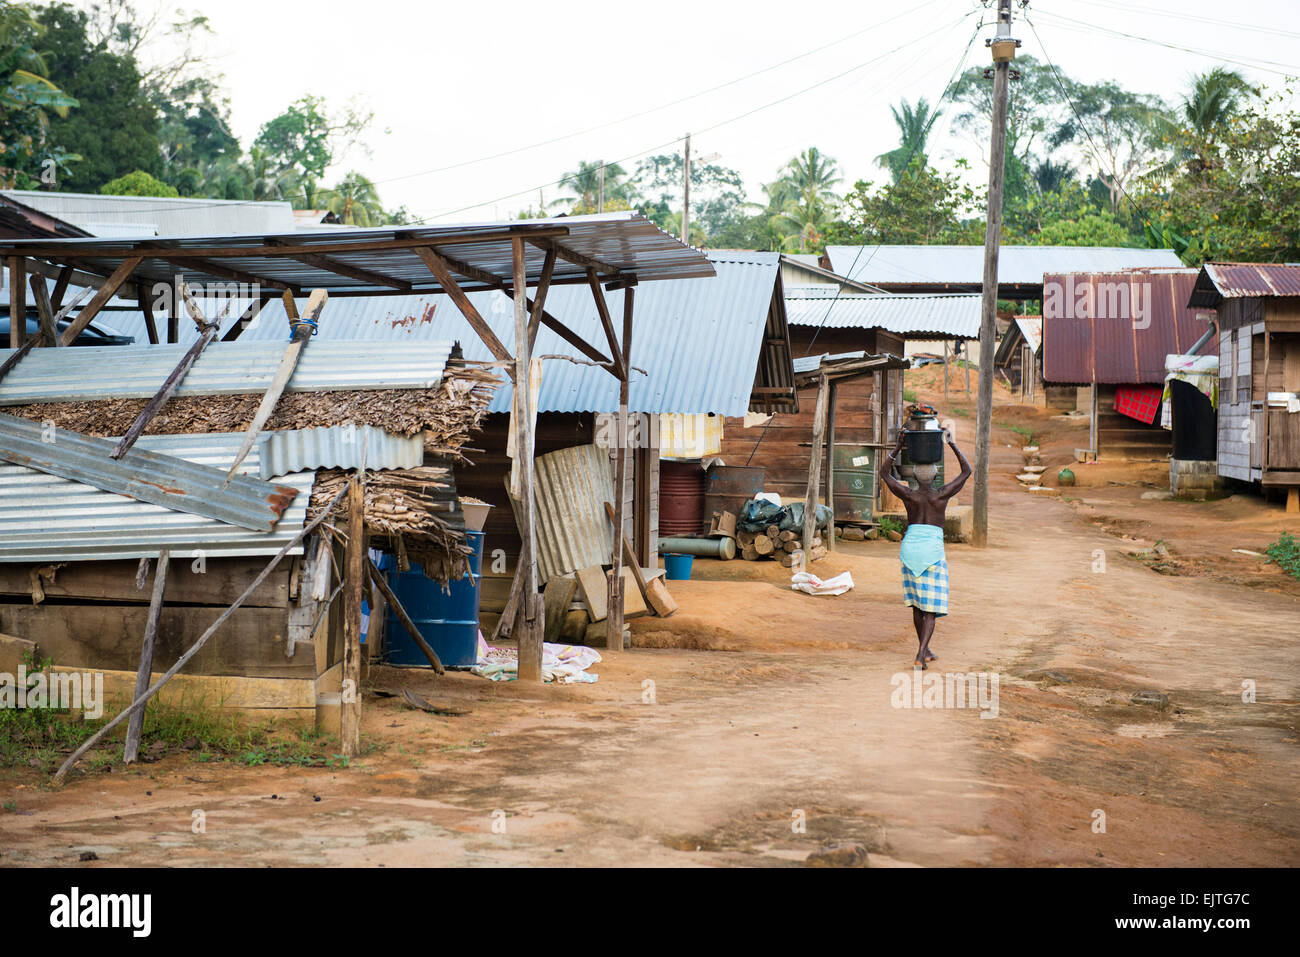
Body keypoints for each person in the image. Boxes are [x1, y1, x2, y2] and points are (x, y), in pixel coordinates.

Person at [880, 427, 972, 669]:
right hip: (931, 551)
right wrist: (951, 443)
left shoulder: (909, 495)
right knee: (930, 607)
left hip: (910, 549)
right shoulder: (941, 495)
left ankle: (925, 648)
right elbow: (967, 471)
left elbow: (884, 474)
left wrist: (899, 446)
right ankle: (921, 653)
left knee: (916, 603)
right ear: (934, 477)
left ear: (915, 477)